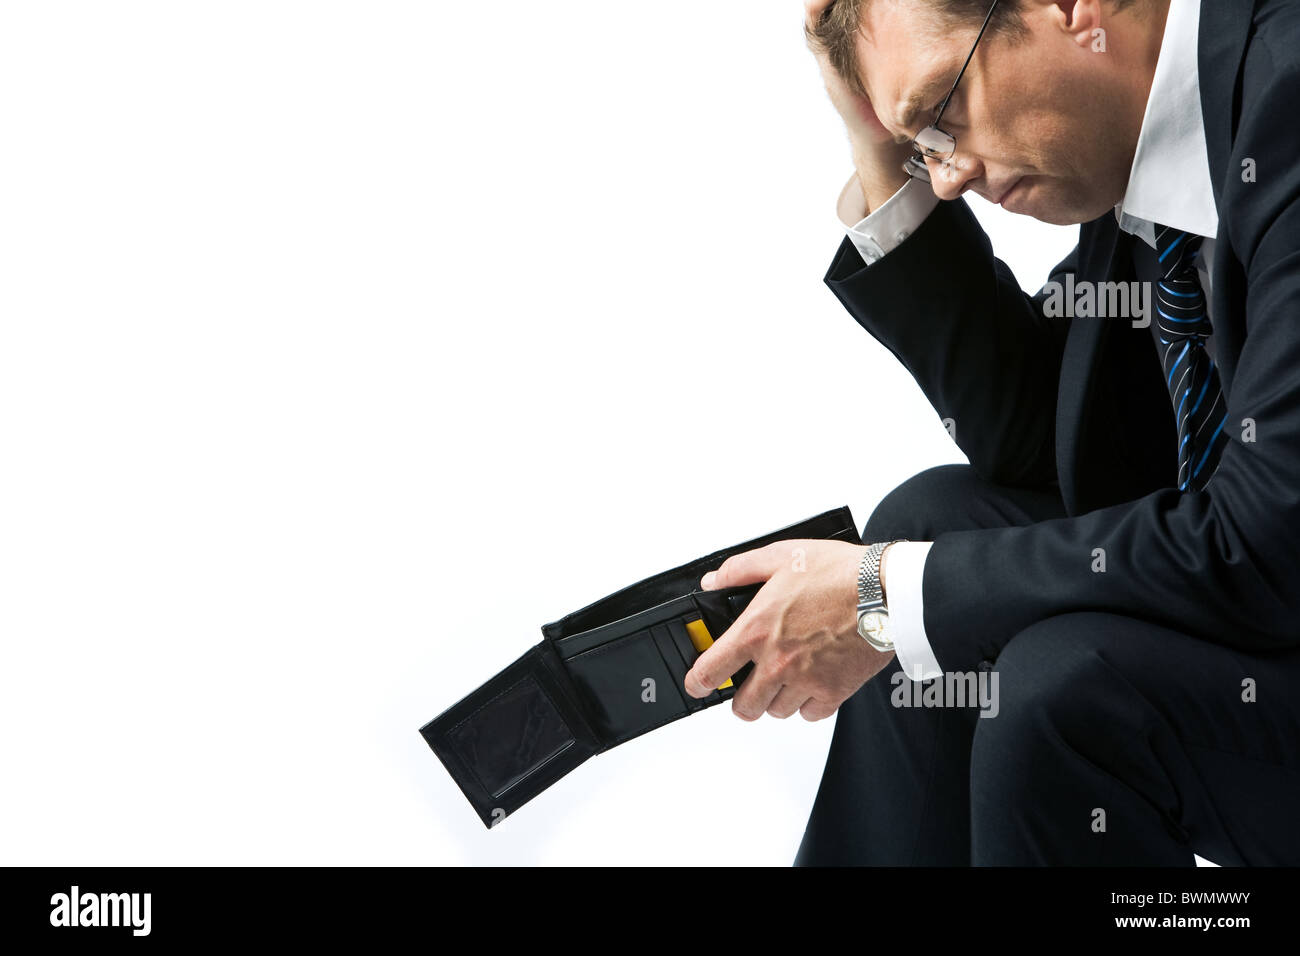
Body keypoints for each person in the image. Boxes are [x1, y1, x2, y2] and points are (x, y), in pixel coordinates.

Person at [681, 0, 1300, 865]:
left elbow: (1265, 541)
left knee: (1059, 691)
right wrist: (879, 142)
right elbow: (1061, 448)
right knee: (932, 522)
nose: (946, 176)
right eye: (923, 145)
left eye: (942, 111)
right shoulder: (1141, 136)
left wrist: (884, 598)